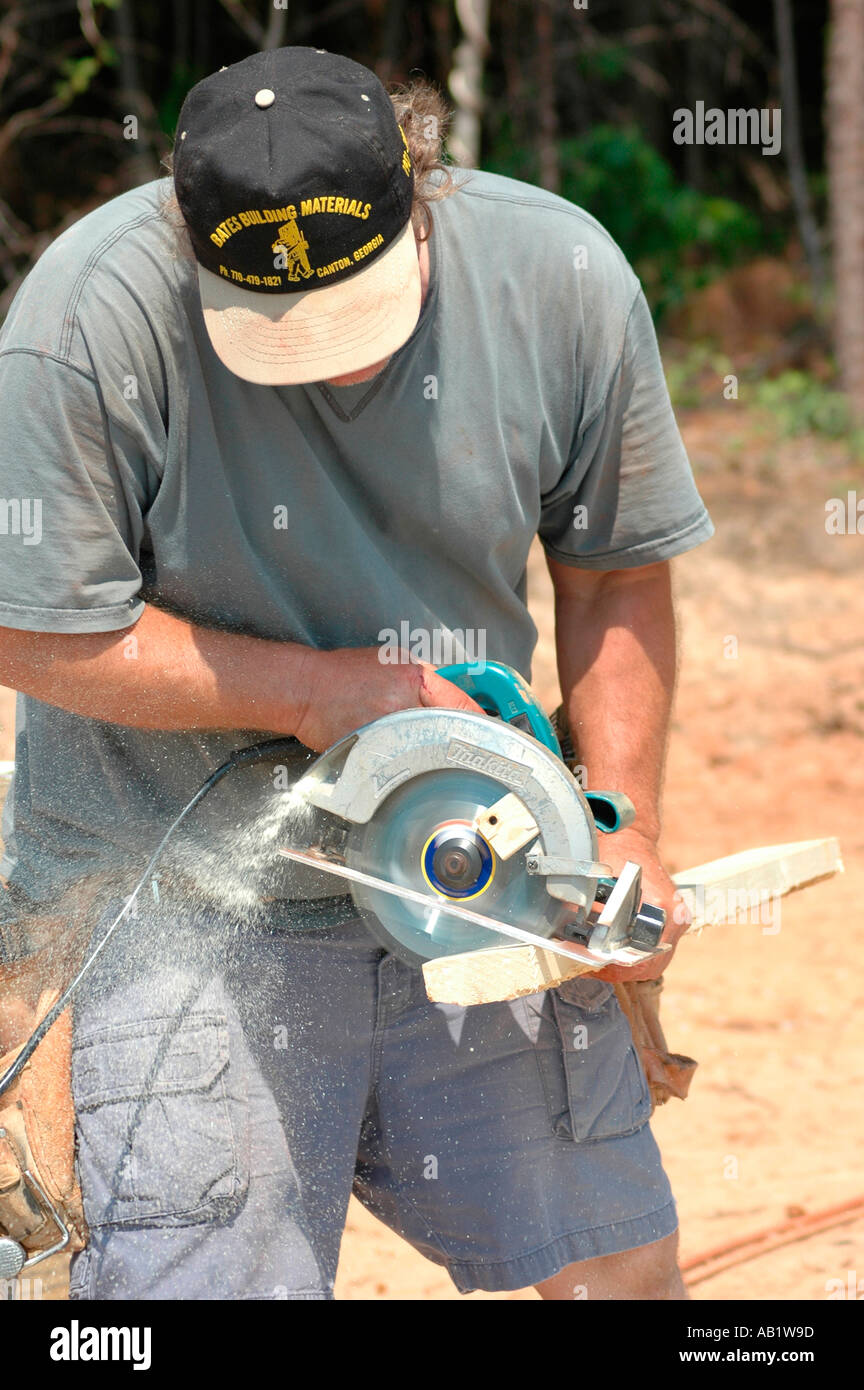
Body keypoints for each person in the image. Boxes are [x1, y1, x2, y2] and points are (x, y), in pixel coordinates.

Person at [0, 46, 713, 1300]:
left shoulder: (562, 277)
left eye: (356, 314)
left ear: (421, 188)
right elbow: (33, 627)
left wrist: (628, 822)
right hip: (178, 890)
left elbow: (612, 569)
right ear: (189, 239)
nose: (328, 363)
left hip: (480, 859)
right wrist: (316, 692)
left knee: (620, 1270)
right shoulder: (87, 318)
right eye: (276, 329)